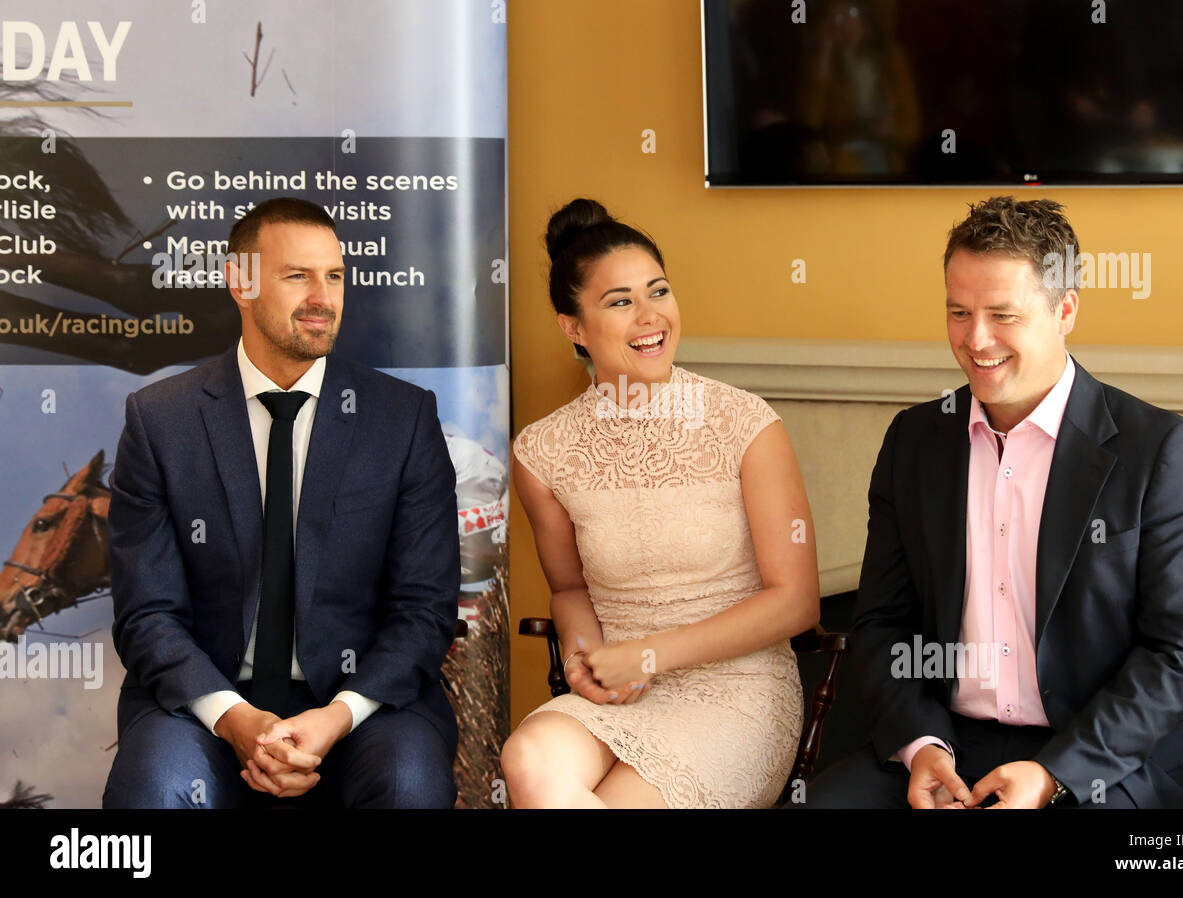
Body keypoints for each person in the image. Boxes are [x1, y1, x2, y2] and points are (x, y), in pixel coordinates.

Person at [799, 196, 1183, 809]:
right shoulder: (913, 441)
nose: (976, 339)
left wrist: (1055, 774)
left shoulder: (1163, 451)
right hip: (943, 749)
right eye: (958, 312)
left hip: (1104, 763)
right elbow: (882, 624)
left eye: (1003, 314)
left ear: (1065, 309)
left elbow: (1178, 654)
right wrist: (921, 747)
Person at [103, 197, 460, 808]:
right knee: (158, 793)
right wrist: (236, 719)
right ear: (239, 283)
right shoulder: (160, 420)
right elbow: (147, 615)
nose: (323, 296)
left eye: (335, 276)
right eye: (298, 276)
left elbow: (425, 610)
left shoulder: (402, 418)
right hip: (204, 708)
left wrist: (338, 716)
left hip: (365, 705)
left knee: (410, 785)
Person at [502, 199, 820, 808]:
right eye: (620, 301)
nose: (650, 317)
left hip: (738, 691)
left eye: (659, 292)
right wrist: (583, 661)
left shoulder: (746, 423)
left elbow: (798, 601)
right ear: (573, 327)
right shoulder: (542, 451)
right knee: (528, 758)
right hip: (619, 693)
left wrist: (648, 657)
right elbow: (570, 590)